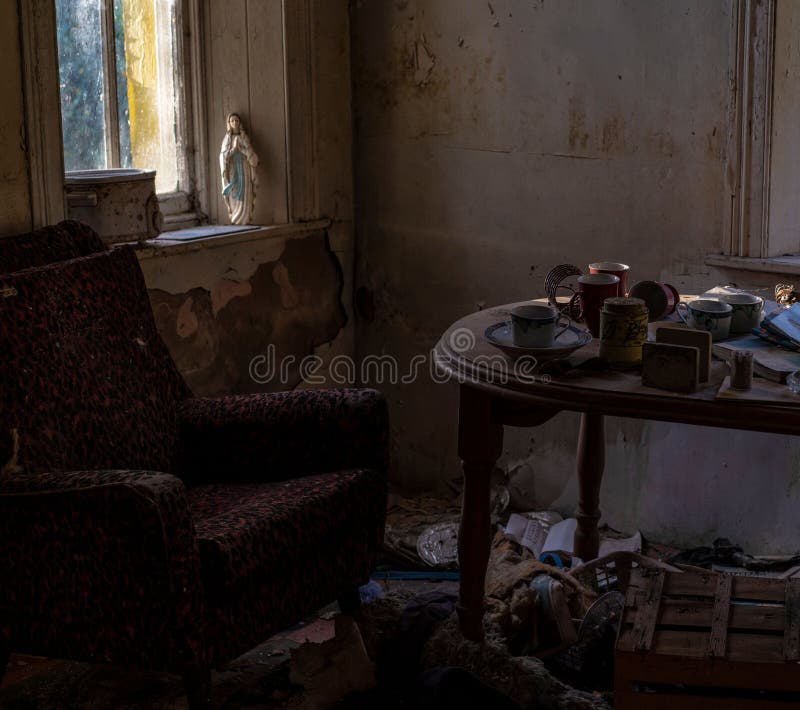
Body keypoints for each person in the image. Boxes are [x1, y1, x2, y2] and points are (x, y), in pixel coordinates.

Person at [220, 112, 259, 224]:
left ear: (240, 122)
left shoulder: (244, 137)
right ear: (229, 123)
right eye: (232, 121)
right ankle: (235, 216)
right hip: (233, 168)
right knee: (234, 190)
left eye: (236, 120)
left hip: (244, 166)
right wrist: (233, 150)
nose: (235, 123)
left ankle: (245, 218)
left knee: (246, 190)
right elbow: (223, 155)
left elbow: (250, 152)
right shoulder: (227, 139)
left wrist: (242, 149)